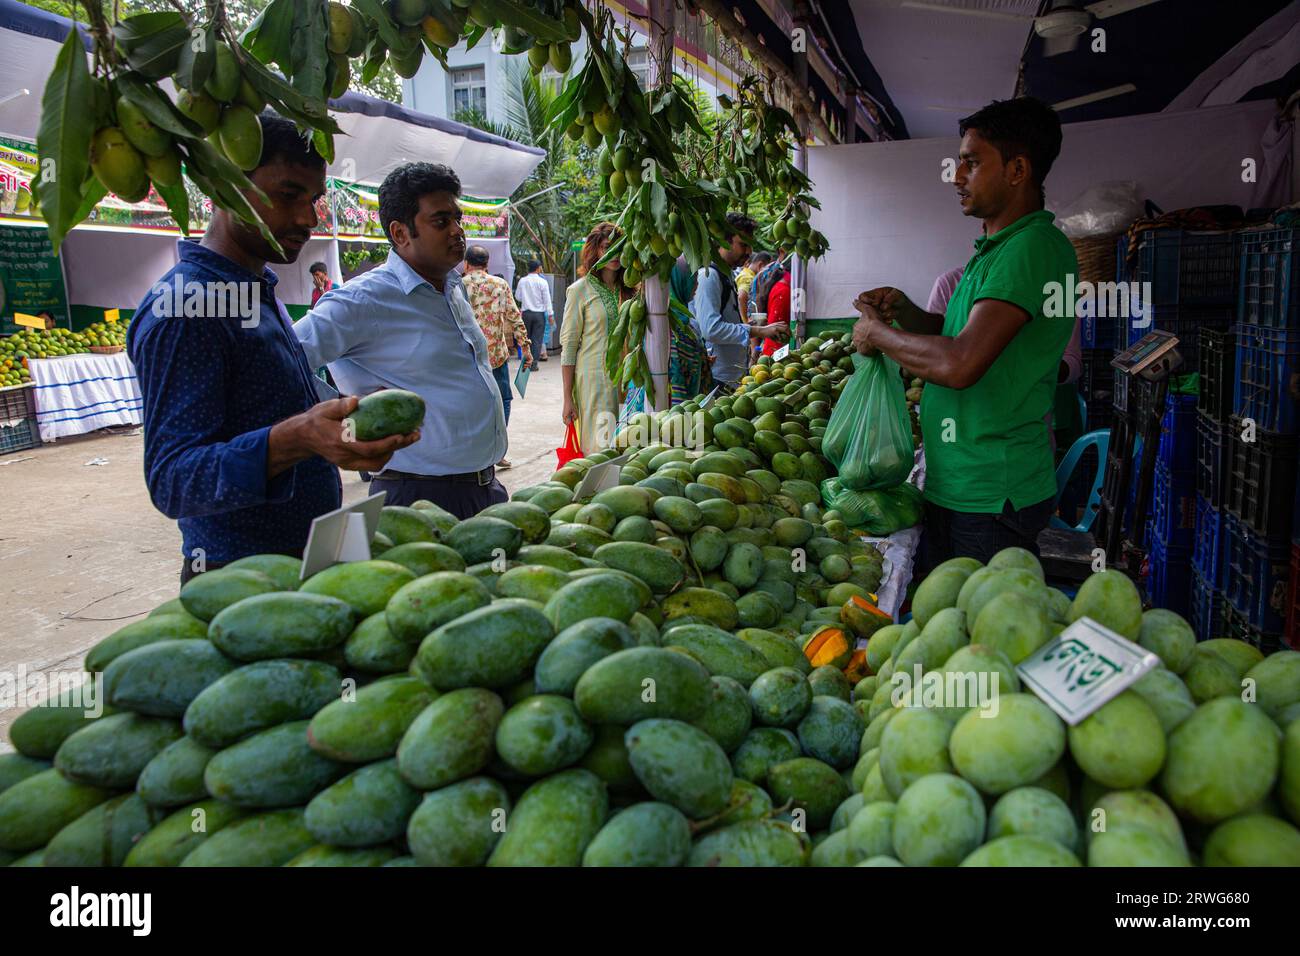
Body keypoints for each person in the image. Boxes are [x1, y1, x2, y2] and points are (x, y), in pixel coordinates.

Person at [128, 113, 418, 582]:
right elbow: (173, 480)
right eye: (288, 195)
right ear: (223, 188)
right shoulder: (187, 307)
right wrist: (297, 438)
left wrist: (342, 418)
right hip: (242, 580)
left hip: (309, 559)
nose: (308, 218)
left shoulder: (254, 288)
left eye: (315, 199)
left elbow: (267, 406)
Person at [850, 96, 1077, 567]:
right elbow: (956, 333)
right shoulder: (994, 250)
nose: (957, 177)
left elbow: (960, 363)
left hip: (993, 495)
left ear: (1017, 170)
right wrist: (905, 312)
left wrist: (876, 334)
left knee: (973, 633)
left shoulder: (1032, 248)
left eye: (972, 163)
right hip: (963, 484)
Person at [294, 162, 509, 516]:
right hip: (416, 498)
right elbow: (284, 359)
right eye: (441, 222)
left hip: (484, 489)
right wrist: (346, 411)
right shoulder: (362, 301)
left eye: (458, 218)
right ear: (400, 233)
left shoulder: (453, 288)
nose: (458, 231)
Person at [694, 213, 789, 390]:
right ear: (723, 241)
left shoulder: (726, 275)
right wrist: (759, 330)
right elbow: (710, 329)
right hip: (717, 379)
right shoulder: (709, 277)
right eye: (743, 245)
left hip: (731, 378)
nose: (748, 252)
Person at [461, 243, 531, 470]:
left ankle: (474, 453)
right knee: (503, 401)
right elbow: (515, 317)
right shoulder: (499, 284)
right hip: (497, 355)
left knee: (471, 403)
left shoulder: (457, 285)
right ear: (487, 264)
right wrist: (526, 348)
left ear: (466, 264)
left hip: (468, 358)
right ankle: (498, 450)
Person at [561, 222, 624, 455]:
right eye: (608, 246)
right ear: (595, 249)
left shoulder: (631, 289)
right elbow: (568, 348)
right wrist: (567, 398)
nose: (614, 254)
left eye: (619, 247)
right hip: (594, 381)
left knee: (625, 448)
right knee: (600, 449)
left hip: (627, 382)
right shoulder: (580, 290)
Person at [668, 259, 712, 405]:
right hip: (679, 413)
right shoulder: (671, 325)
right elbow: (675, 377)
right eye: (692, 280)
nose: (696, 285)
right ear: (680, 281)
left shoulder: (684, 319)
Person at [515, 259, 553, 370]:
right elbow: (547, 300)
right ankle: (534, 363)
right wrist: (550, 315)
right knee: (537, 339)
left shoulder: (522, 281)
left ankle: (526, 361)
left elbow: (518, 296)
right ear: (537, 268)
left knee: (527, 338)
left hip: (526, 314)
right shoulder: (542, 282)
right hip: (539, 315)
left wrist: (527, 299)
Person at [762, 264, 791, 357]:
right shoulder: (784, 291)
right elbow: (776, 327)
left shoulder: (781, 286)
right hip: (776, 351)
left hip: (775, 349)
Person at [736, 251, 769, 320]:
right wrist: (746, 321)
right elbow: (741, 297)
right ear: (760, 265)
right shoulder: (748, 278)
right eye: (767, 270)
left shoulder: (747, 274)